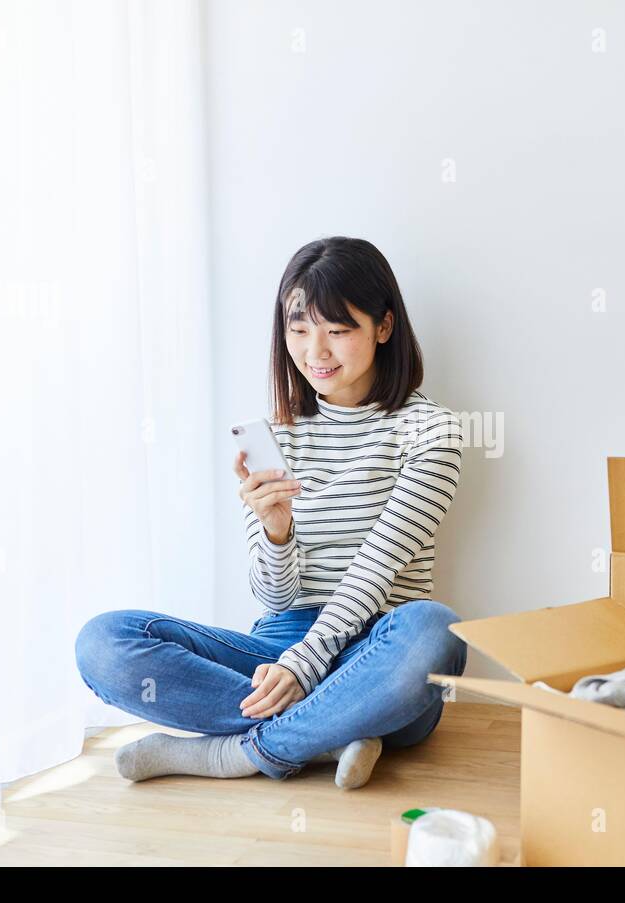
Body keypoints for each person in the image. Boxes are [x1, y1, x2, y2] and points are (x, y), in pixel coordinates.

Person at [75, 236, 468, 788]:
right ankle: (329, 735)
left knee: (436, 630)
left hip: (378, 650)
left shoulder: (433, 431)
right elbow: (276, 599)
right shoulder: (273, 436)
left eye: (338, 330)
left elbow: (375, 572)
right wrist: (277, 532)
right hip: (280, 643)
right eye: (299, 330)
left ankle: (235, 752)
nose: (316, 352)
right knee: (104, 642)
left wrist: (303, 667)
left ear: (384, 326)